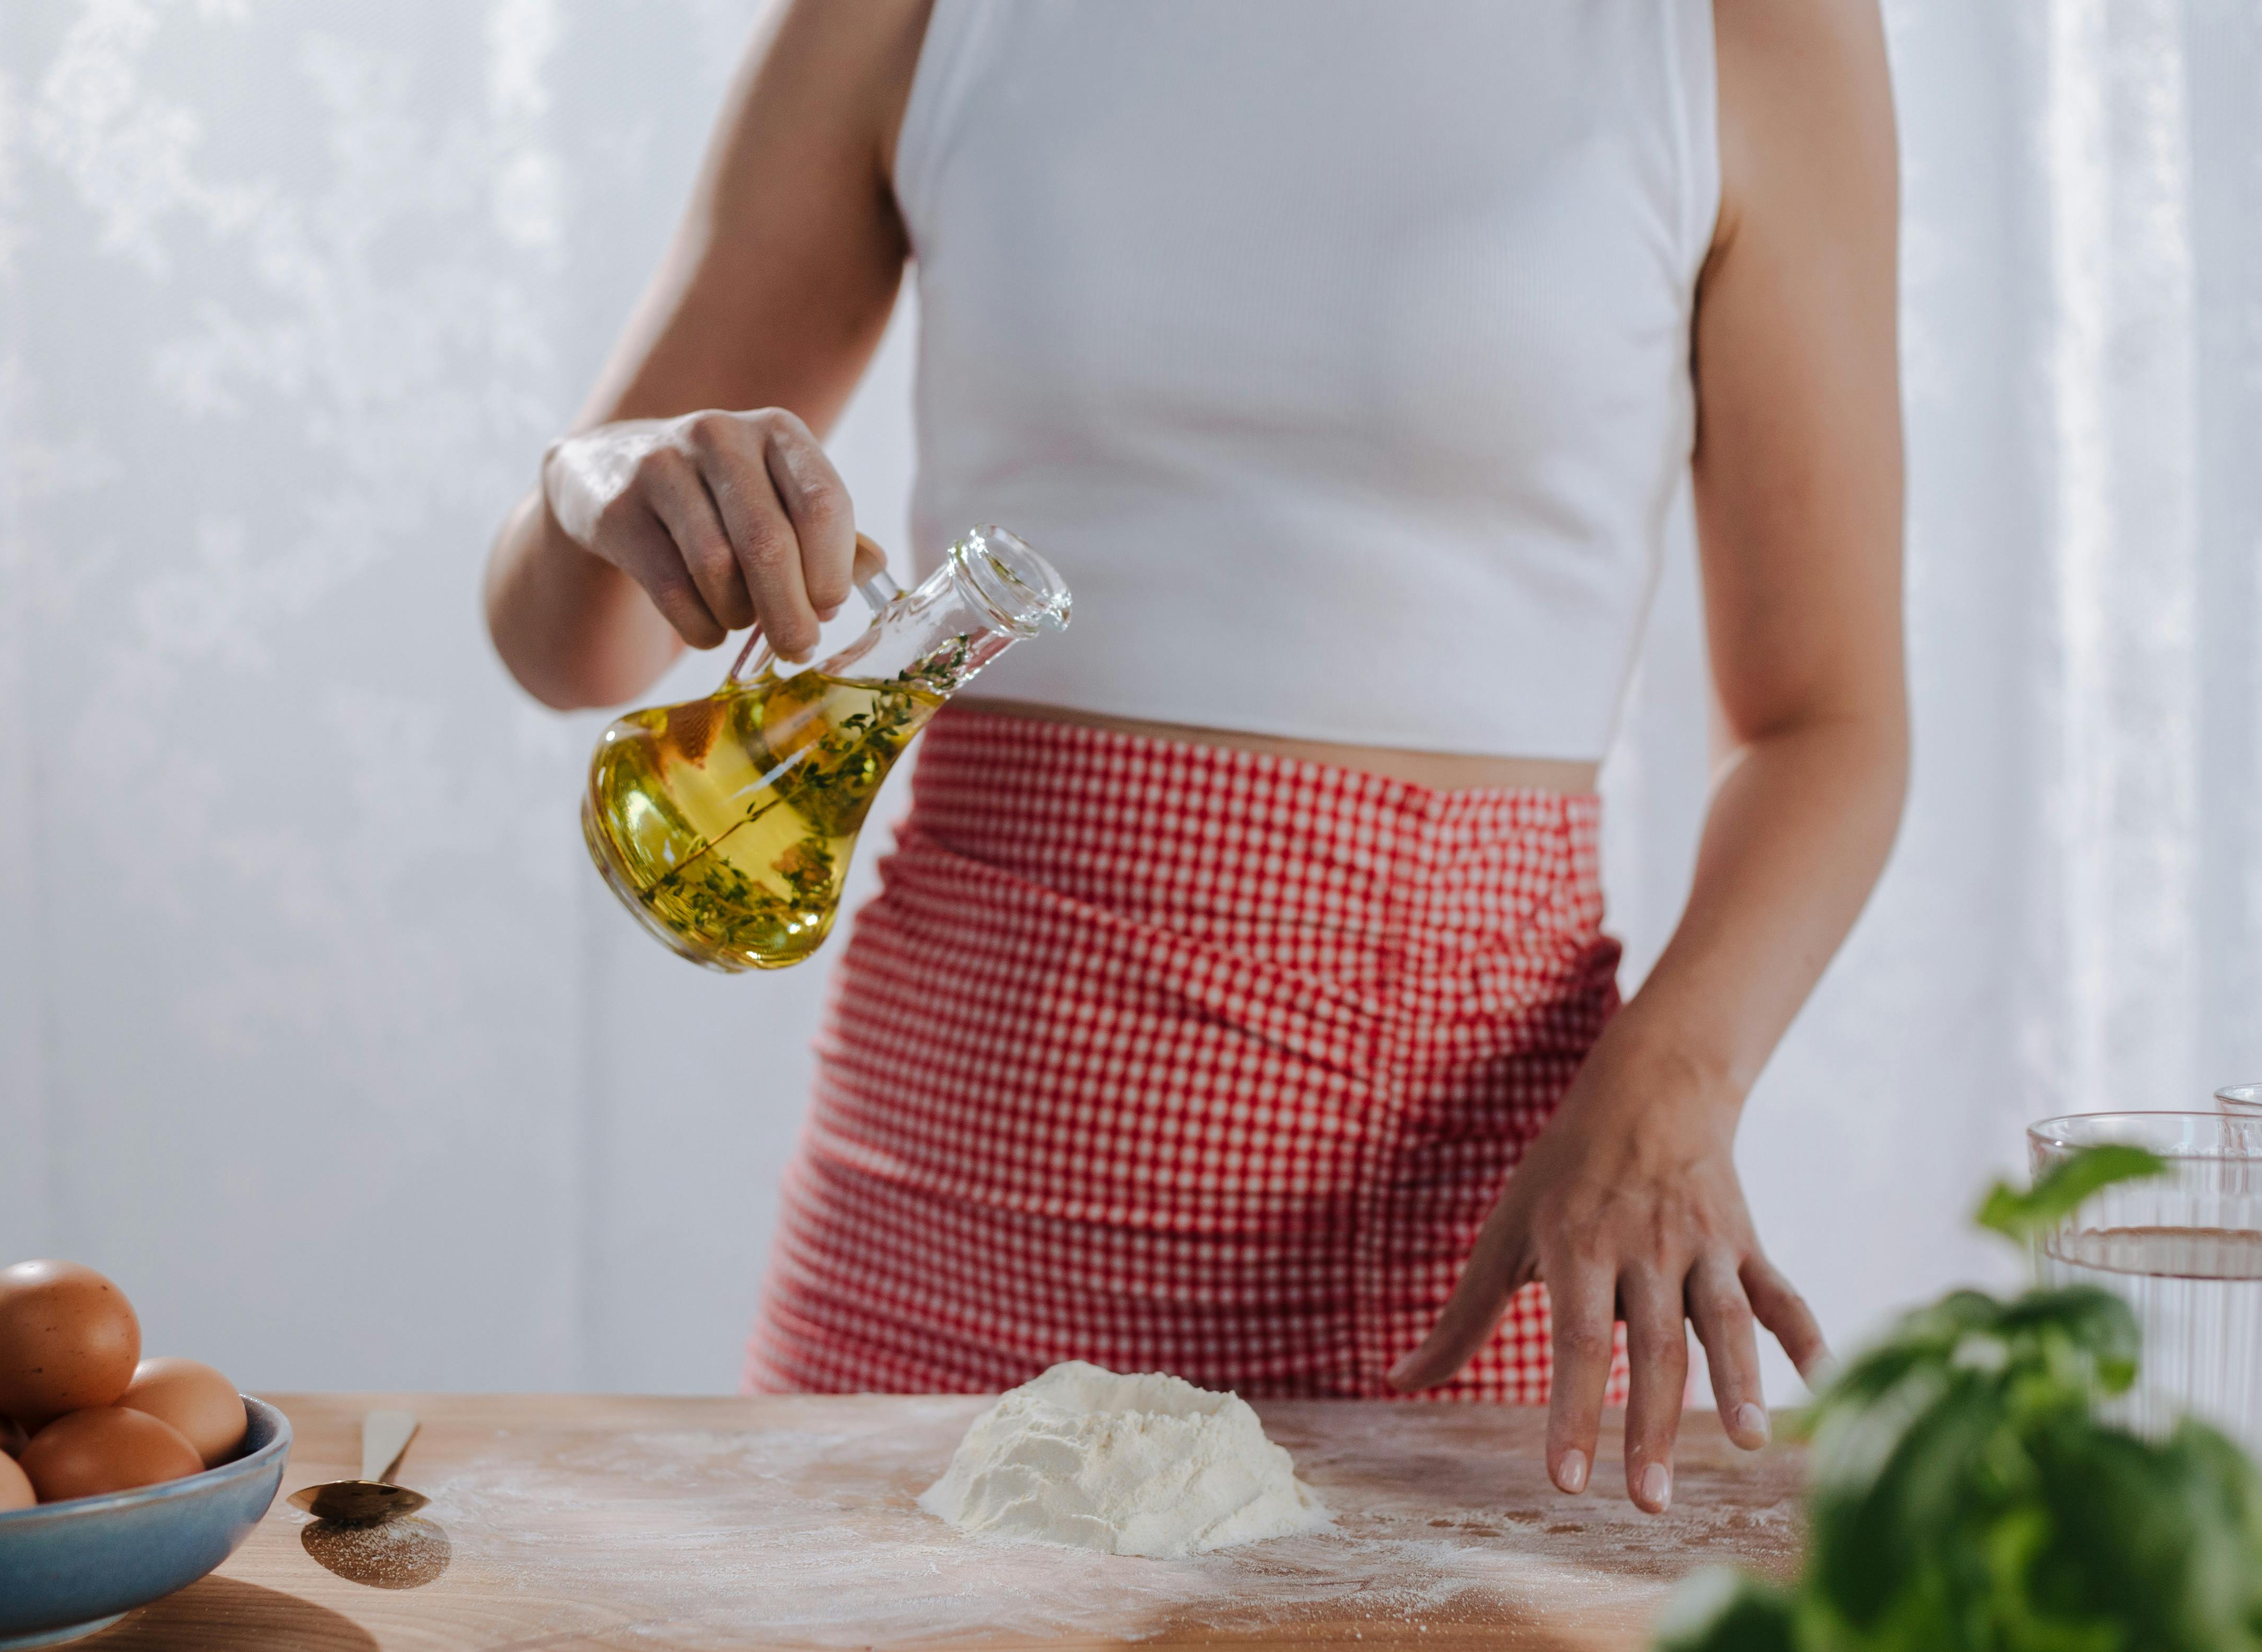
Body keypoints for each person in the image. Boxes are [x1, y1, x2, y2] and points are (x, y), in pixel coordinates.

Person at [486, 0, 1904, 1515]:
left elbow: (1828, 722)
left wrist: (1673, 1090)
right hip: (944, 1188)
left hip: (1454, 1237)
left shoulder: (1746, 31)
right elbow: (571, 649)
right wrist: (599, 477)